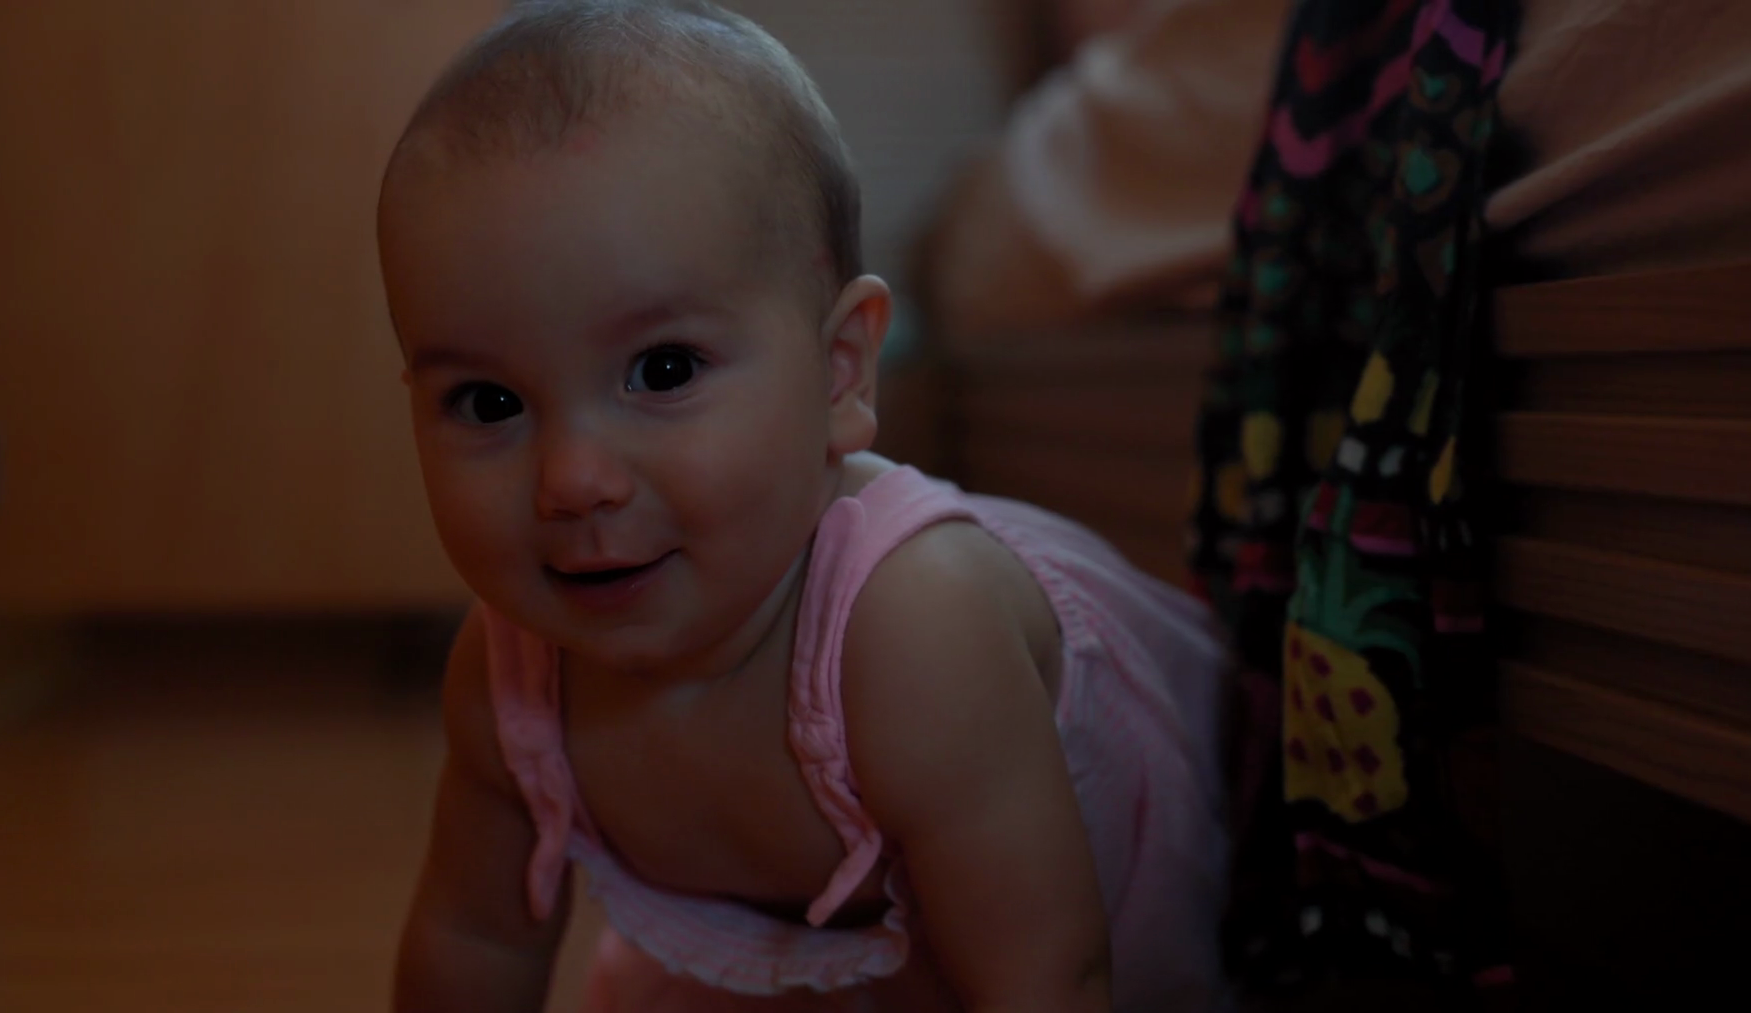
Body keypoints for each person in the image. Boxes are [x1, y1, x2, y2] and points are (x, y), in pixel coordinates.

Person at [376, 2, 1233, 1010]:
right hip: (835, 942)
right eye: (489, 402)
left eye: (663, 370)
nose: (572, 478)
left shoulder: (916, 630)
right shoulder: (509, 670)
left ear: (840, 372)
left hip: (1096, 933)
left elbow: (1043, 974)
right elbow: (473, 936)